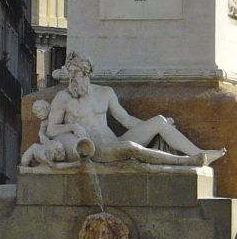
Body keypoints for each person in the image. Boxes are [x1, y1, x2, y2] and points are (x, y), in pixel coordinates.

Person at [43, 52, 224, 167]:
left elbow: (126, 120)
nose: (73, 81)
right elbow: (51, 129)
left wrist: (153, 128)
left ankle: (199, 154)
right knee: (130, 147)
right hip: (96, 150)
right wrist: (73, 128)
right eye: (71, 76)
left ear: (87, 74)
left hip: (115, 142)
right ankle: (185, 161)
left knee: (159, 121)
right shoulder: (63, 98)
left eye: (78, 75)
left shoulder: (105, 92)